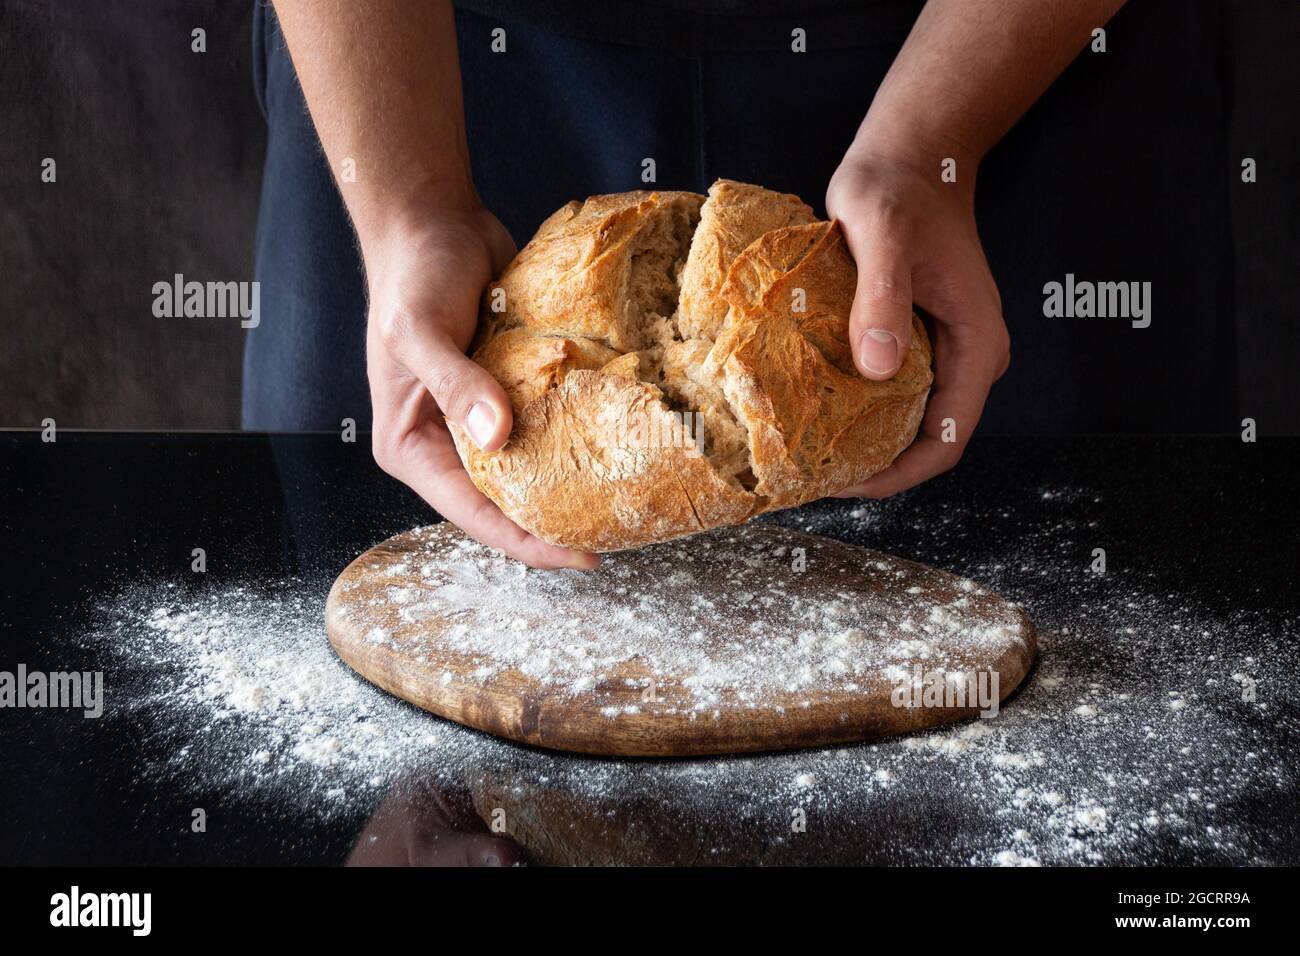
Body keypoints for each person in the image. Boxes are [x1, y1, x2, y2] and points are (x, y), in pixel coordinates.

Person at [244, 0, 1233, 569]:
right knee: (411, 729)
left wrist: (933, 143)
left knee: (1083, 674)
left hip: (1016, 60)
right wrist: (412, 209)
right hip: (422, 66)